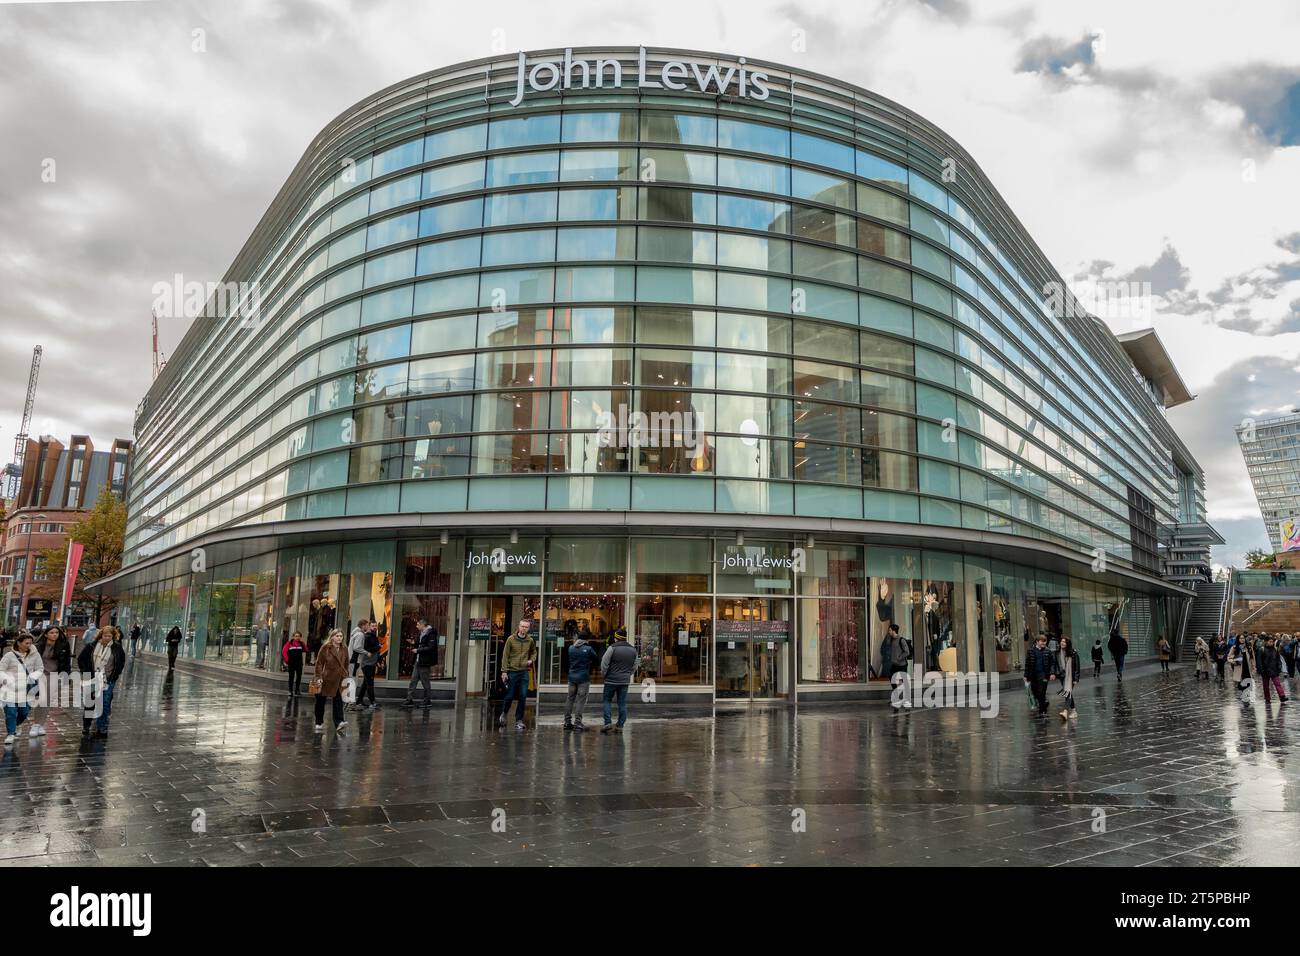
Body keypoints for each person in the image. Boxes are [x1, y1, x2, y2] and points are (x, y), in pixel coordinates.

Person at [77, 626, 125, 739]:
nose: (107, 638)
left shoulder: (117, 648)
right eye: (105, 636)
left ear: (113, 636)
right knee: (90, 703)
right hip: (92, 678)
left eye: (109, 636)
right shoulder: (92, 646)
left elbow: (121, 662)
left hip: (108, 679)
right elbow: (81, 659)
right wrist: (85, 673)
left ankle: (101, 727)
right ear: (101, 635)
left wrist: (115, 675)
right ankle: (86, 725)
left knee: (105, 703)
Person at [1, 631, 43, 746]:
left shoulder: (35, 654)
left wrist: (32, 677)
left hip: (27, 689)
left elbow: (40, 668)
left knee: (24, 712)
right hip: (10, 689)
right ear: (19, 643)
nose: (29, 645)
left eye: (30, 643)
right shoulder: (9, 655)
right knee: (10, 712)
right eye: (26, 643)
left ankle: (18, 724)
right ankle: (10, 733)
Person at [31, 625, 71, 738]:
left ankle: (40, 724)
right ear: (46, 634)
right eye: (52, 633)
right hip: (40, 675)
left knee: (46, 701)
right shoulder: (38, 646)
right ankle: (36, 724)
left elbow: (67, 661)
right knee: (40, 700)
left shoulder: (63, 645)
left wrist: (66, 676)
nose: (55, 635)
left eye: (56, 633)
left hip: (53, 675)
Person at [497, 620, 536, 731]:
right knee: (510, 696)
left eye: (526, 627)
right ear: (519, 627)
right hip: (512, 671)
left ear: (528, 628)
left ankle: (519, 720)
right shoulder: (511, 639)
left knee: (523, 696)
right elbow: (505, 656)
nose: (524, 628)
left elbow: (534, 652)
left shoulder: (530, 640)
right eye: (522, 626)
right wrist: (504, 672)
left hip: (524, 671)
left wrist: (531, 660)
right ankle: (504, 713)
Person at [599, 627, 638, 734]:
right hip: (624, 681)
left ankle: (607, 722)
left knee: (607, 701)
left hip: (610, 680)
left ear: (616, 638)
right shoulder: (633, 649)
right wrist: (627, 674)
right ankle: (620, 725)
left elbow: (604, 663)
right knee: (622, 703)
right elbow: (635, 666)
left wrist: (604, 674)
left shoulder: (612, 648)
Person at [312, 628, 349, 733]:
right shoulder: (326, 648)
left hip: (338, 678)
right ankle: (319, 722)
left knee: (338, 700)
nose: (339, 638)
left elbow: (346, 663)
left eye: (341, 636)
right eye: (337, 636)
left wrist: (346, 676)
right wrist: (318, 677)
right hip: (326, 678)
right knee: (320, 701)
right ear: (332, 637)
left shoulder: (344, 648)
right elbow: (319, 663)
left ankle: (339, 722)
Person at [563, 634, 600, 731]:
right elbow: (596, 660)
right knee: (580, 700)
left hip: (572, 677)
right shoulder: (588, 649)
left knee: (570, 699)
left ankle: (567, 722)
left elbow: (567, 661)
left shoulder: (571, 648)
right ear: (586, 640)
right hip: (583, 678)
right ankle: (578, 723)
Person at [402, 617, 439, 708]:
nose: (416, 626)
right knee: (413, 680)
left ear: (423, 625)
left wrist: (418, 650)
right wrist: (413, 642)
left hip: (425, 661)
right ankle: (409, 699)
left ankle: (427, 700)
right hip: (418, 661)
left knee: (425, 681)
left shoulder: (431, 633)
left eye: (418, 624)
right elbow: (419, 643)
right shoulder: (421, 633)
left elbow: (431, 647)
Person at [882, 623, 913, 711]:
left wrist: (899, 658)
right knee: (892, 679)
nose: (889, 632)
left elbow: (907, 652)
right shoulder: (891, 640)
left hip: (902, 665)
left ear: (893, 631)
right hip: (894, 665)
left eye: (890, 630)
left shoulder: (901, 640)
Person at [1024, 633, 1055, 717]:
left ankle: (1043, 711)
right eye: (1042, 642)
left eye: (1045, 642)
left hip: (1044, 675)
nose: (1044, 643)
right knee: (1035, 691)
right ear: (1037, 642)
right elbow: (1027, 664)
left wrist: (1052, 673)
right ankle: (1044, 702)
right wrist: (1026, 676)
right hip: (1033, 675)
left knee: (1041, 692)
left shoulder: (1048, 651)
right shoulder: (1030, 651)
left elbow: (1052, 663)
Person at [354, 621, 380, 711]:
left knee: (366, 683)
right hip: (367, 663)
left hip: (371, 662)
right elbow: (365, 649)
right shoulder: (367, 636)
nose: (374, 627)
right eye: (372, 626)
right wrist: (378, 647)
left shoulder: (373, 636)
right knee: (370, 683)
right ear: (368, 626)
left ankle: (359, 700)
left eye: (375, 626)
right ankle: (373, 702)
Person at [1056, 635, 1081, 720]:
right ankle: (1074, 711)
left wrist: (1076, 678)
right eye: (1061, 641)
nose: (1062, 643)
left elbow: (1077, 666)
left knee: (1067, 693)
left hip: (1071, 677)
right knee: (1068, 693)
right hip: (1063, 677)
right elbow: (1057, 664)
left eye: (1064, 642)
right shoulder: (1058, 652)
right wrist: (1057, 674)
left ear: (1068, 644)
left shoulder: (1073, 653)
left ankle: (1065, 712)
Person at [1258, 636, 1288, 706]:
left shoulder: (1275, 649)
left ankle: (1282, 696)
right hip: (1265, 670)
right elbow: (1259, 661)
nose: (1272, 643)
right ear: (1266, 642)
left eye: (1272, 642)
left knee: (1277, 684)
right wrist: (1261, 670)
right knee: (1266, 686)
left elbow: (1278, 659)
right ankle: (1267, 698)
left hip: (1274, 670)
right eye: (1270, 641)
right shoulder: (1262, 649)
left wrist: (1279, 667)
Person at [282, 631, 307, 697]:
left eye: (299, 636)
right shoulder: (289, 643)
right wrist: (287, 660)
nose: (297, 637)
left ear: (300, 637)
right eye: (296, 636)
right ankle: (290, 690)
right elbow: (284, 652)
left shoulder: (301, 643)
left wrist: (303, 644)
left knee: (299, 677)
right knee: (291, 677)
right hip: (292, 663)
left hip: (299, 663)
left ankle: (297, 690)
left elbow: (306, 650)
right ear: (293, 637)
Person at [1231, 636, 1255, 704]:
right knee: (1241, 683)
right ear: (1238, 639)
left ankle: (1246, 696)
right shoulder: (1235, 647)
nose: (1242, 640)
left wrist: (1253, 666)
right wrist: (1234, 660)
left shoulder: (1249, 647)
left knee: (1248, 682)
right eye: (1240, 638)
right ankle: (1243, 696)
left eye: (1243, 638)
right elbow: (1229, 657)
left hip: (1247, 667)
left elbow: (1252, 658)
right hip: (1239, 668)